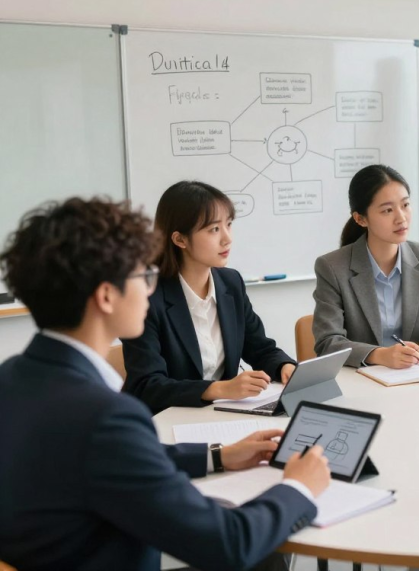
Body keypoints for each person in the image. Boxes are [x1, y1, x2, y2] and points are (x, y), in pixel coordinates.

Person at [0, 197, 331, 571]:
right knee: (264, 554)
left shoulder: (12, 377)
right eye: (143, 275)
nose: (150, 287)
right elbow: (230, 544)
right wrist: (298, 487)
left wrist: (218, 456)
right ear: (106, 296)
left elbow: (106, 460)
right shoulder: (105, 417)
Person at [122, 180, 297, 414]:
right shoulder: (147, 297)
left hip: (220, 417)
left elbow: (260, 348)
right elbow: (147, 385)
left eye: (229, 224)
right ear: (180, 239)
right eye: (214, 229)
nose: (227, 238)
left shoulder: (230, 283)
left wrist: (284, 366)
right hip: (166, 422)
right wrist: (218, 389)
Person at [313, 164, 419, 368]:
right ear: (360, 218)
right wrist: (380, 355)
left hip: (413, 377)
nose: (401, 218)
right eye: (387, 210)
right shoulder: (332, 267)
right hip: (361, 382)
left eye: (405, 205)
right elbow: (328, 342)